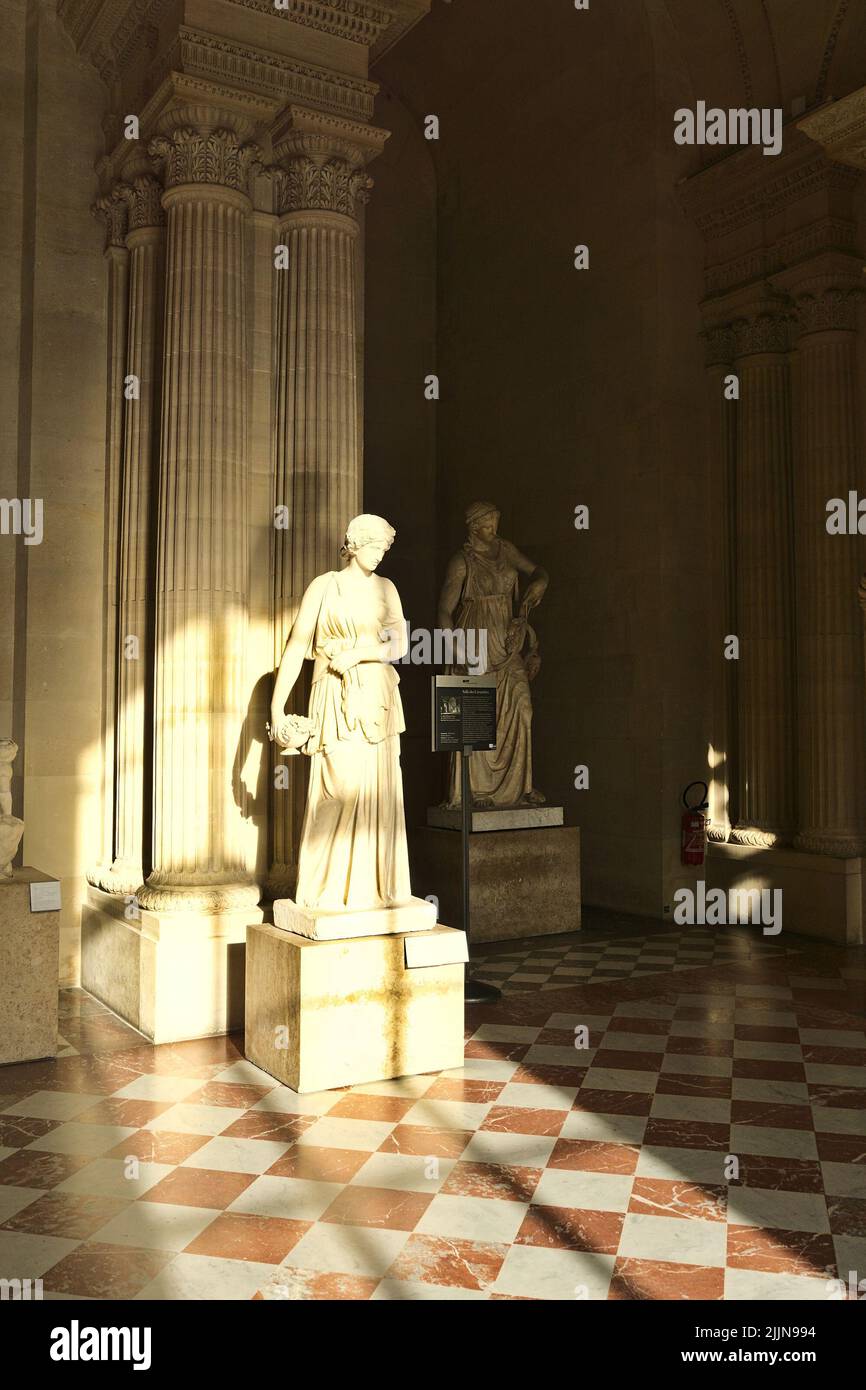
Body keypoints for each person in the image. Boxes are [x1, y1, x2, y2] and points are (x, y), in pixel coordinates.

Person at [269, 514, 411, 911]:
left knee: (377, 791)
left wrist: (358, 654)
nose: (381, 555)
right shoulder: (324, 586)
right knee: (337, 788)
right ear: (354, 544)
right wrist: (277, 707)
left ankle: (371, 890)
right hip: (333, 696)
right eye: (375, 547)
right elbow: (297, 645)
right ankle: (324, 891)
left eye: (385, 549)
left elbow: (400, 644)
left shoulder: (386, 589)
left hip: (376, 698)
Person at [437, 501, 548, 808]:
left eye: (496, 524)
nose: (494, 530)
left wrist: (541, 581)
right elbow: (444, 611)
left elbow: (536, 569)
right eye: (488, 525)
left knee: (523, 709)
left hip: (507, 641)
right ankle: (474, 792)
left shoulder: (505, 550)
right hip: (476, 639)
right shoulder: (462, 561)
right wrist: (457, 650)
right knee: (477, 716)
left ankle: (522, 787)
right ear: (474, 527)